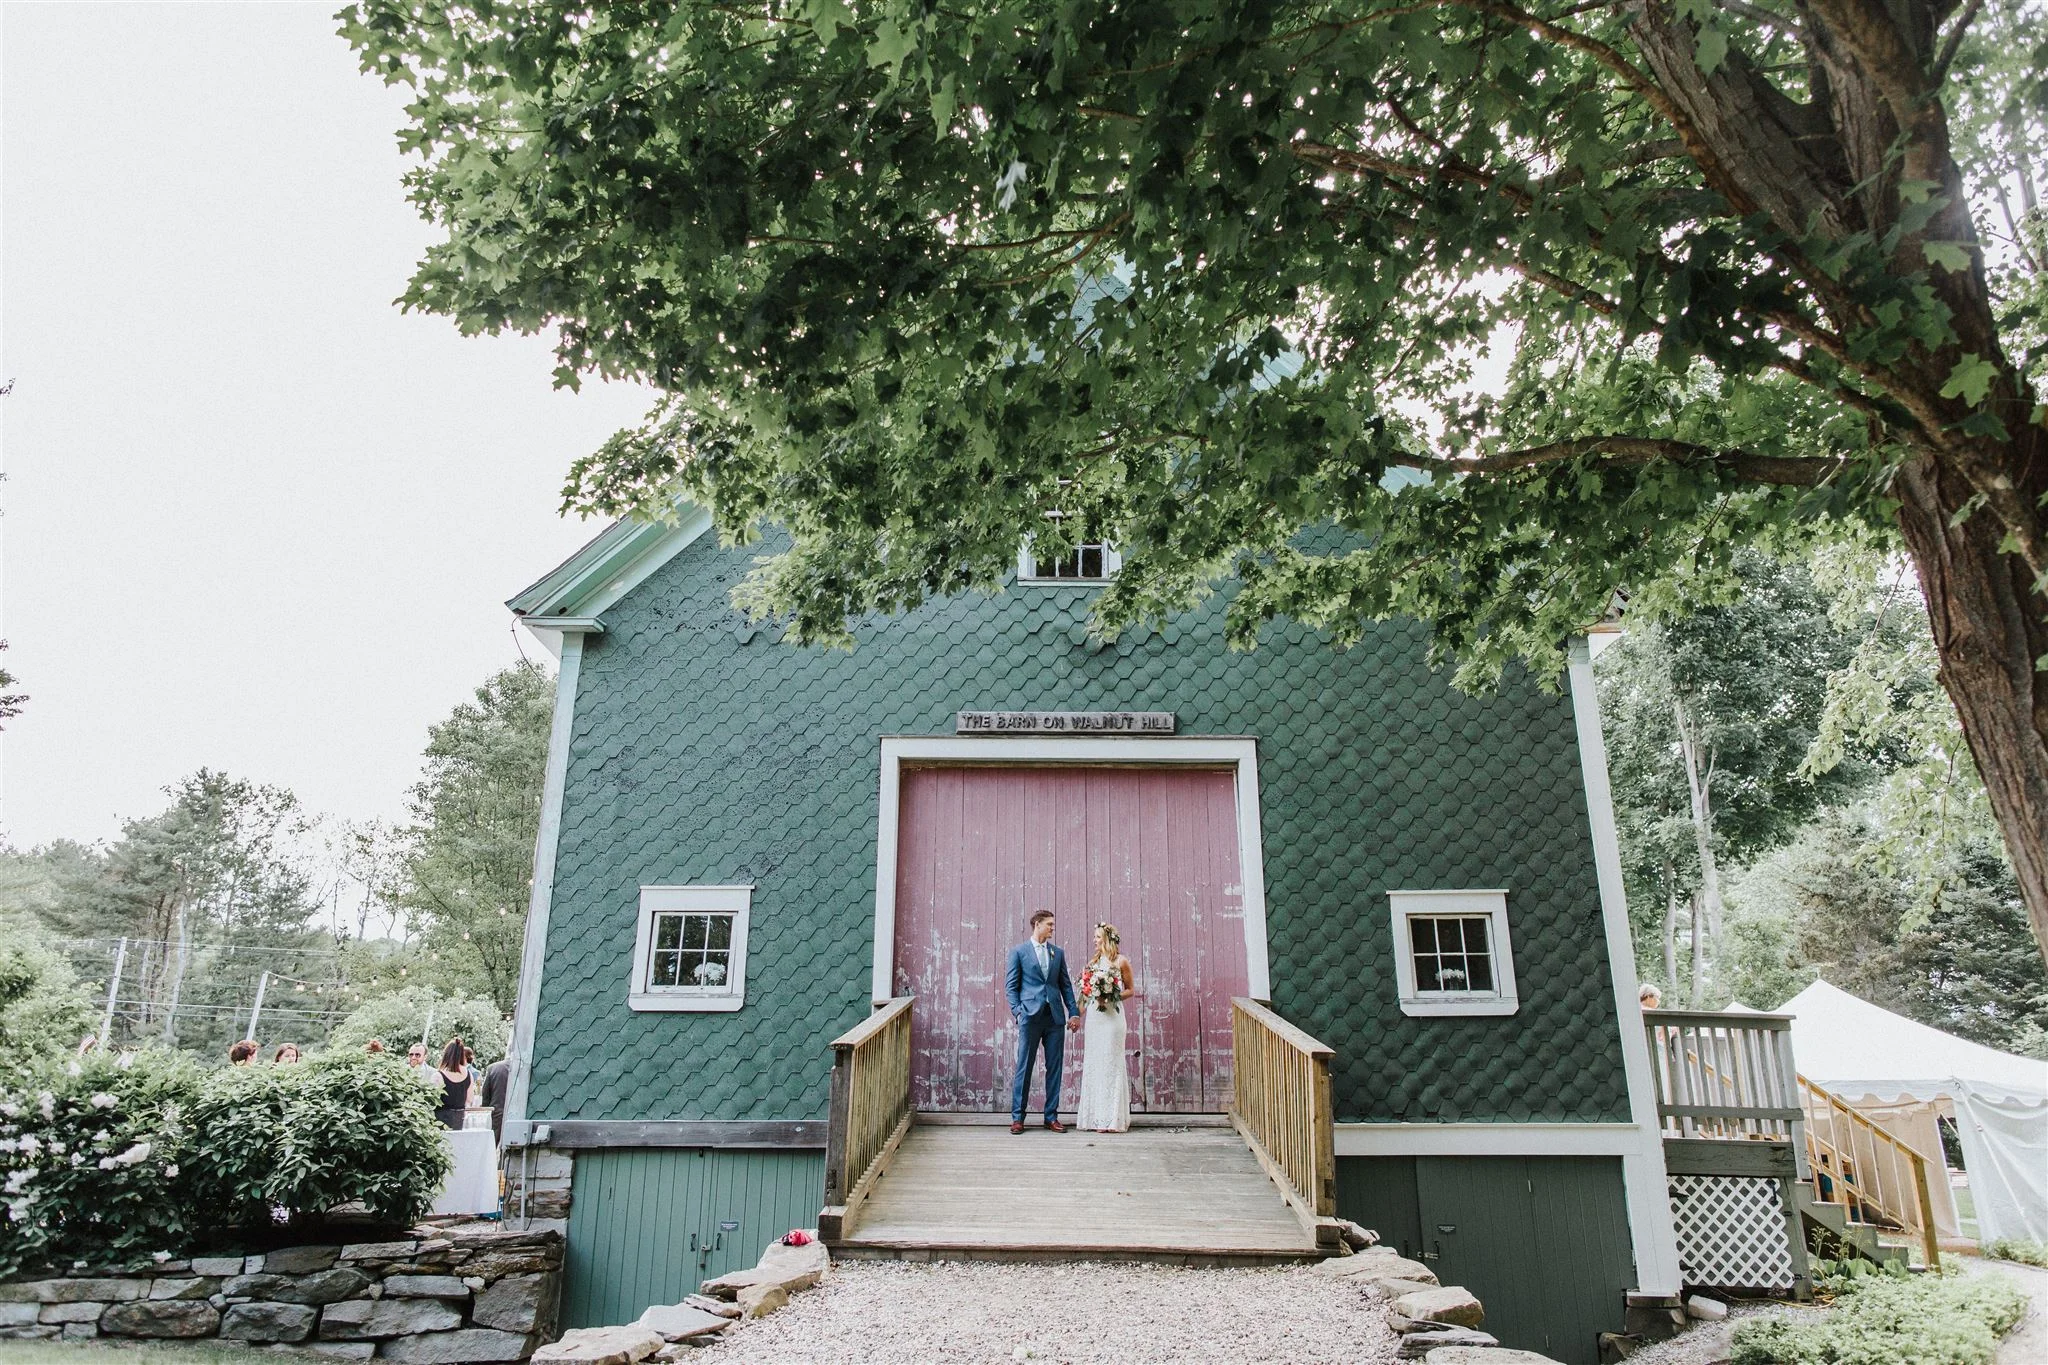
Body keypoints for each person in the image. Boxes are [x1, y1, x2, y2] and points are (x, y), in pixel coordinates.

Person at [1003, 909, 1080, 1135]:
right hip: (1030, 1016)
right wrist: (1018, 1012)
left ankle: (1051, 1117)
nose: (1052, 928)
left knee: (1054, 1068)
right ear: (1037, 925)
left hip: (1054, 1017)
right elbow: (1011, 986)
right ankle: (1018, 1118)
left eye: (1052, 924)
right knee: (1024, 1067)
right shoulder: (1019, 952)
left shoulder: (1058, 953)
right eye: (1049, 924)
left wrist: (1073, 1012)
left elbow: (1065, 985)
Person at [1074, 922, 1136, 1133]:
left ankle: (1112, 1119)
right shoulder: (1093, 964)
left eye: (1098, 937)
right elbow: (1085, 995)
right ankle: (1096, 1118)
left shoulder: (1121, 961)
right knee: (1096, 1063)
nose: (1095, 940)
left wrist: (1111, 996)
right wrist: (1075, 1016)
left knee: (1111, 1062)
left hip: (1112, 1019)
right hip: (1094, 1019)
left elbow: (1131, 990)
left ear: (1107, 939)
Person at [434, 1038, 472, 1130]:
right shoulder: (468, 1074)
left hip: (440, 1122)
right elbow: (469, 1100)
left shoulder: (438, 1075)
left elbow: (432, 1102)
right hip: (460, 1121)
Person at [480, 1056, 511, 1145]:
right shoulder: (523, 1068)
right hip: (518, 1117)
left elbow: (485, 1094)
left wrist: (485, 1109)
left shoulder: (493, 1068)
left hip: (497, 1113)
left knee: (491, 1146)